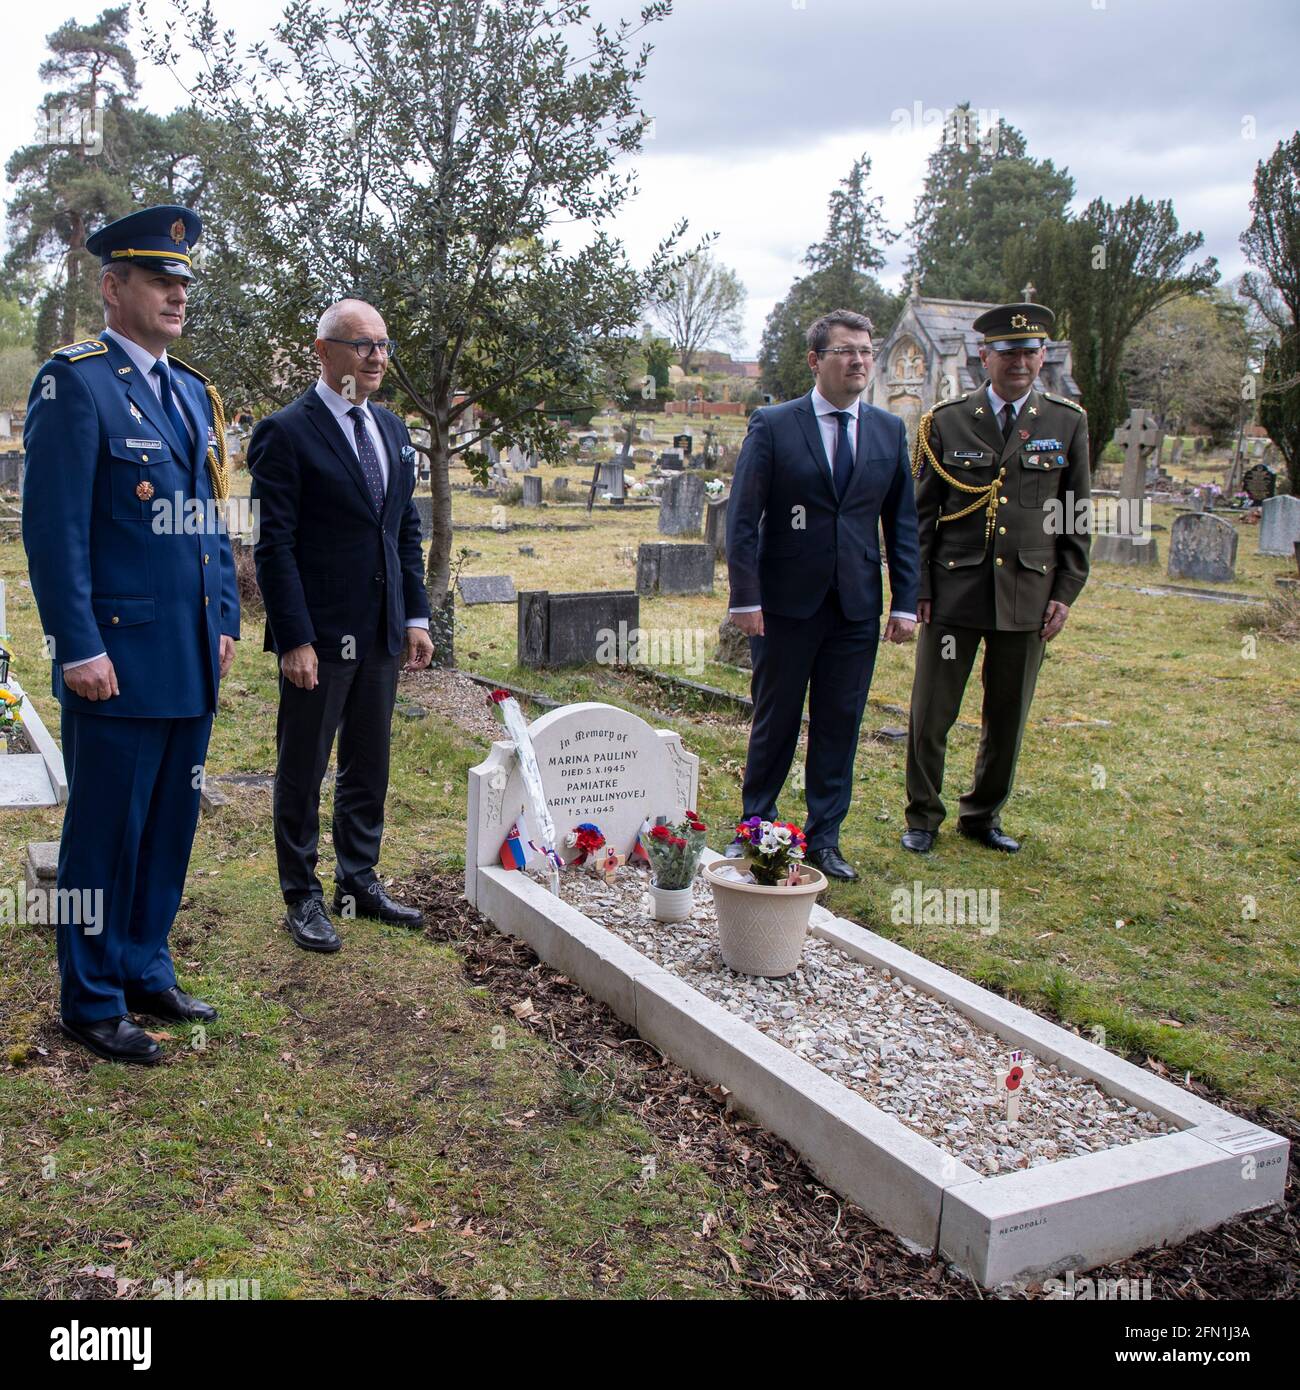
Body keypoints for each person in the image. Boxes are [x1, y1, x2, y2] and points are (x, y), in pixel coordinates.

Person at [22, 205, 239, 1065]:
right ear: (113, 288)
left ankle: (146, 962)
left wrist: (222, 615)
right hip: (115, 654)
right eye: (159, 279)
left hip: (189, 652)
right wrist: (78, 646)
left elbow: (209, 520)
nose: (176, 294)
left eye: (182, 281)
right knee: (105, 831)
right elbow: (54, 532)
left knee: (169, 823)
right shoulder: (73, 383)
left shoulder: (190, 391)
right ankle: (91, 997)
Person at [250, 298, 432, 952]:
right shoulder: (286, 432)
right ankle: (302, 896)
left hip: (381, 631)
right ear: (324, 351)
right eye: (362, 345)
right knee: (303, 767)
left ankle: (359, 880)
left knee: (368, 763)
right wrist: (294, 638)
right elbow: (274, 546)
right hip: (319, 640)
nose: (377, 357)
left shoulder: (390, 430)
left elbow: (404, 528)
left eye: (384, 344)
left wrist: (415, 614)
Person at [725, 309, 920, 882]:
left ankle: (824, 839)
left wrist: (905, 601)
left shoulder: (888, 431)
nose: (860, 360)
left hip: (856, 605)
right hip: (785, 604)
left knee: (841, 721)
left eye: (866, 350)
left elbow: (901, 523)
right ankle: (754, 824)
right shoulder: (775, 424)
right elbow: (742, 517)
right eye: (846, 351)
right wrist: (745, 598)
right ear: (816, 361)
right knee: (776, 718)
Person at [902, 302, 1091, 855]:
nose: (1021, 363)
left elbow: (1074, 514)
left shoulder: (1066, 420)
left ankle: (983, 814)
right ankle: (923, 815)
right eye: (1009, 353)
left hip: (1028, 592)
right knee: (932, 711)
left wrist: (1066, 590)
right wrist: (919, 590)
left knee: (1008, 713)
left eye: (1031, 353)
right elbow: (921, 515)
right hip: (954, 591)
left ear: (1042, 358)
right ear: (984, 355)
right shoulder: (946, 419)